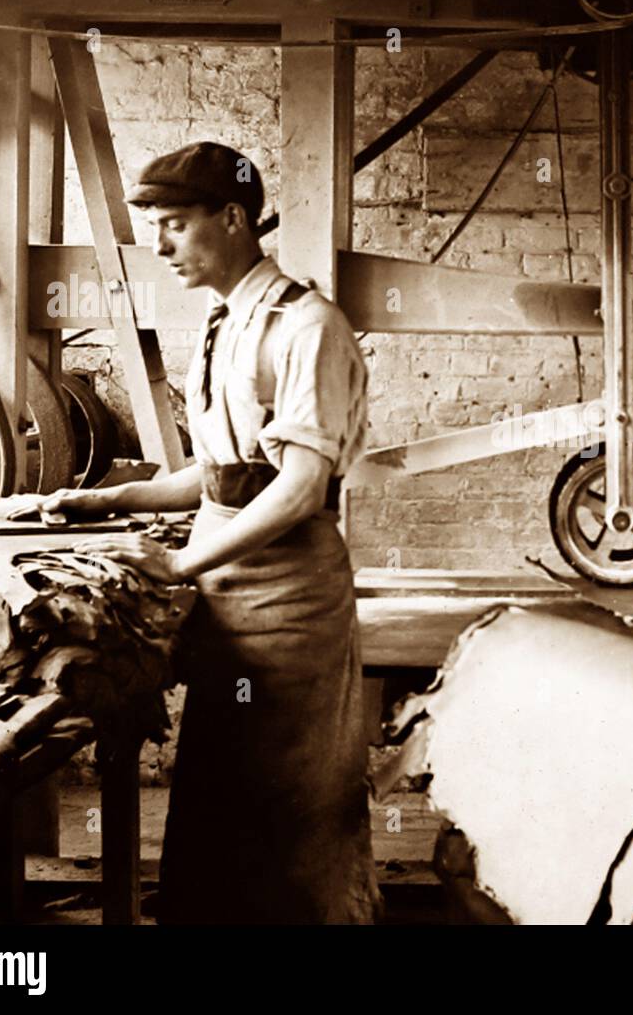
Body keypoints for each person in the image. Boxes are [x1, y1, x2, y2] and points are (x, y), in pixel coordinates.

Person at [42, 141, 380, 924]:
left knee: (297, 802)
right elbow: (216, 471)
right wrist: (106, 500)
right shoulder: (224, 321)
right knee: (224, 796)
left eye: (175, 225)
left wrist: (183, 562)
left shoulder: (308, 324)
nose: (160, 246)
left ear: (232, 219)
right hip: (228, 587)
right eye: (155, 227)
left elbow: (298, 489)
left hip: (292, 603)